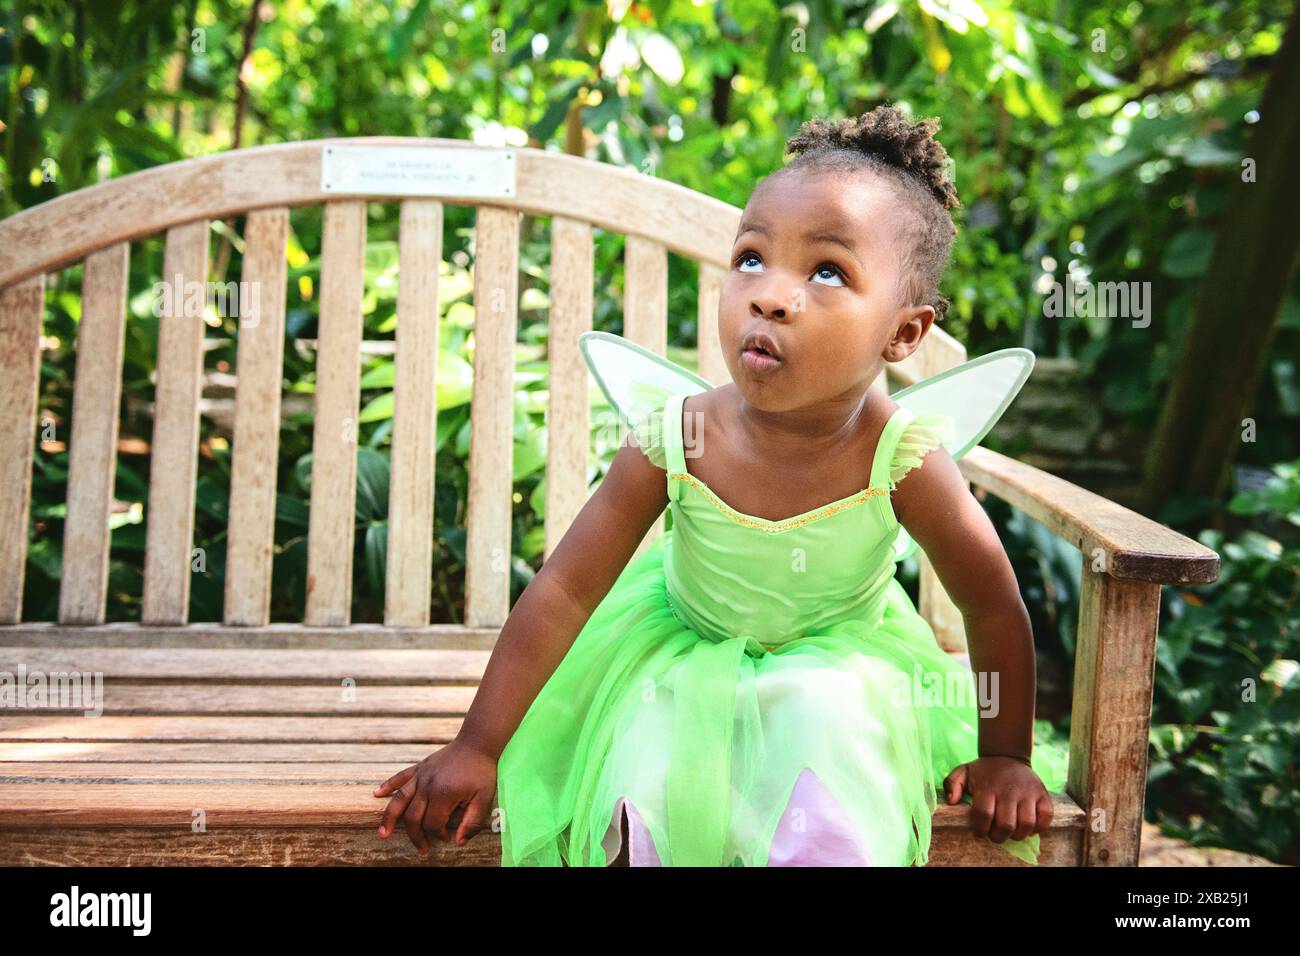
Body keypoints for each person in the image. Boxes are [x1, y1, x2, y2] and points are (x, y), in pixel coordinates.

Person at [374, 104, 1070, 866]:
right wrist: (478, 744)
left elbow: (990, 601)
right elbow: (568, 589)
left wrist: (1005, 753)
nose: (771, 295)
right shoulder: (677, 439)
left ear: (903, 334)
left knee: (822, 718)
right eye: (750, 258)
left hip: (839, 666)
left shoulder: (900, 457)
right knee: (647, 744)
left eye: (828, 271)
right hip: (682, 650)